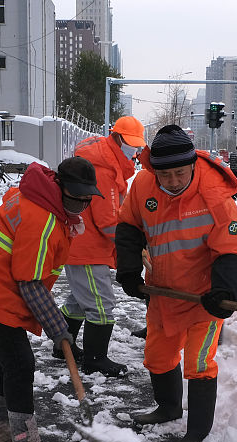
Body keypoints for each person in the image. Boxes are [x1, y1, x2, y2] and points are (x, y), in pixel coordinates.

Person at [0, 156, 101, 442]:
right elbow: (30, 282)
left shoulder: (44, 200)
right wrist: (59, 329)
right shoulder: (42, 220)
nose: (80, 204)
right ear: (60, 187)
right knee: (20, 362)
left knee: (10, 357)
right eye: (74, 197)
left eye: (86, 198)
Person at [114, 124, 237, 442]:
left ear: (192, 166)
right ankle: (169, 407)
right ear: (152, 170)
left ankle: (196, 433)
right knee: (158, 357)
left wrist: (225, 292)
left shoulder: (214, 196)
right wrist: (129, 269)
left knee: (199, 364)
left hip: (204, 297)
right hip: (163, 293)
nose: (171, 181)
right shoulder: (144, 184)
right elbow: (129, 226)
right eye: (165, 175)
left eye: (179, 173)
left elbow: (231, 251)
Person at [52, 115, 146, 377]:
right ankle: (95, 359)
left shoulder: (108, 162)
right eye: (131, 144)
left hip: (84, 246)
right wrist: (130, 244)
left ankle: (63, 347)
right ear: (116, 138)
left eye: (137, 145)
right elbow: (108, 222)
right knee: (101, 304)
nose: (135, 151)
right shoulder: (103, 168)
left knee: (80, 301)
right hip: (88, 249)